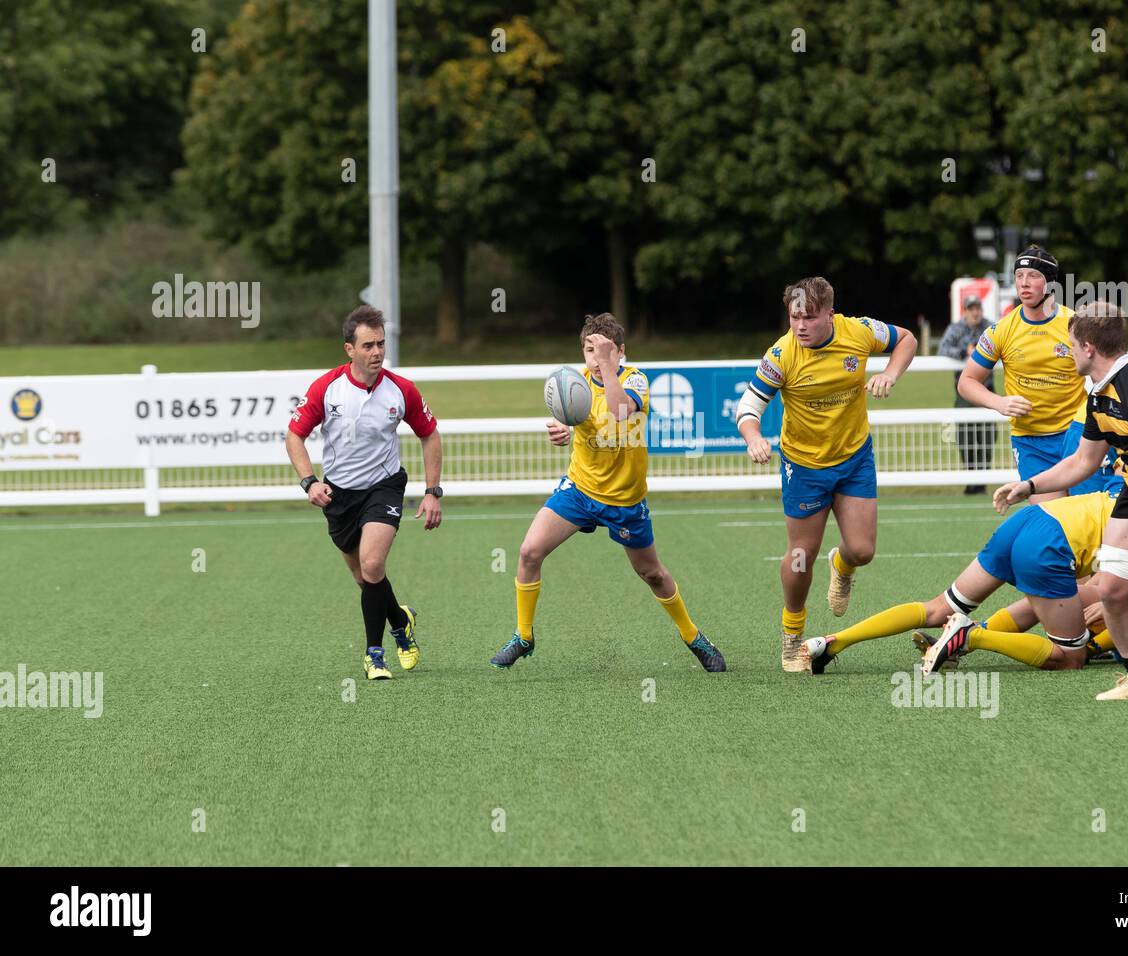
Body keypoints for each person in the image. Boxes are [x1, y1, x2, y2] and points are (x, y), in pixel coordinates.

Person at [993, 303, 1128, 700]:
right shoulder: (1099, 394)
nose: (1068, 353)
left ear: (1089, 347)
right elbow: (1084, 461)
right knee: (1112, 591)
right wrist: (1029, 485)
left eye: (1070, 346)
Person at [489, 313, 725, 672]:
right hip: (580, 490)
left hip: (624, 501)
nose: (596, 359)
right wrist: (561, 431)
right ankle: (523, 635)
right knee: (529, 552)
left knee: (653, 574)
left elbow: (619, 411)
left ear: (622, 352)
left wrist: (608, 367)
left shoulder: (635, 380)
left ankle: (693, 637)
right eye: (590, 351)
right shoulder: (576, 383)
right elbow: (569, 418)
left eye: (605, 351)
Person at [736, 277, 916, 671]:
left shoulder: (859, 331)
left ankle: (843, 566)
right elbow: (748, 407)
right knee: (802, 557)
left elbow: (907, 339)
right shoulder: (781, 354)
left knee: (863, 551)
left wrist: (890, 373)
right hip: (804, 467)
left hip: (854, 458)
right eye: (794, 317)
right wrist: (753, 437)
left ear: (830, 315)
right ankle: (792, 635)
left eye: (810, 318)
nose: (800, 326)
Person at [286, 306, 443, 681]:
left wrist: (432, 491)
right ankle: (400, 621)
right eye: (368, 345)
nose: (377, 352)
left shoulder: (401, 389)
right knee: (365, 578)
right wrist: (310, 482)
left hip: (384, 487)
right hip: (339, 495)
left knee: (373, 565)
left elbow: (430, 435)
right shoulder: (326, 388)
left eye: (381, 344)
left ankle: (376, 655)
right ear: (349, 349)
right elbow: (294, 436)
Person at [798, 491, 1119, 674]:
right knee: (1070, 658)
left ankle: (834, 641)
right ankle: (970, 635)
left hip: (1029, 519)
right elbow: (1121, 599)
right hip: (1049, 542)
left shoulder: (1127, 494)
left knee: (938, 608)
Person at [957, 246, 1116, 499]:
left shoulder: (1076, 325)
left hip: (1077, 435)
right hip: (1031, 442)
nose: (1024, 283)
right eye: (1019, 276)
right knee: (1052, 517)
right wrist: (999, 402)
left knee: (1087, 513)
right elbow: (966, 382)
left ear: (1050, 283)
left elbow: (1105, 373)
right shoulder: (1001, 330)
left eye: (1033, 276)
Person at [938, 295, 996, 494]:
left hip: (987, 388)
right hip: (964, 391)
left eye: (977, 308)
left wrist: (979, 352)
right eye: (971, 309)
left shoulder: (990, 327)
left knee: (987, 436)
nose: (975, 312)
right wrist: (964, 352)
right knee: (965, 437)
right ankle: (970, 478)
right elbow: (943, 349)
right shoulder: (956, 329)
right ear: (965, 311)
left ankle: (981, 481)